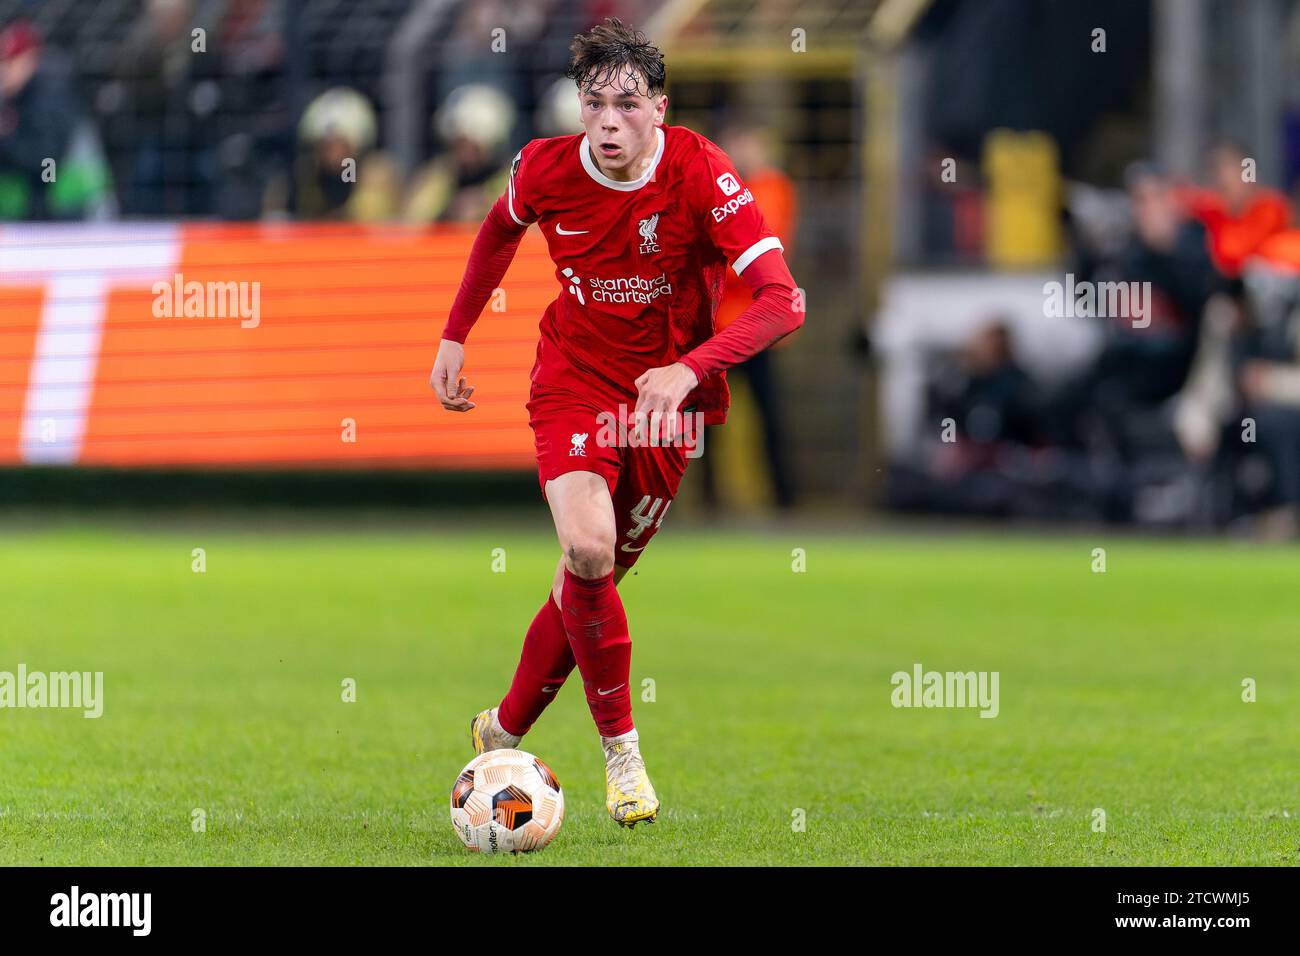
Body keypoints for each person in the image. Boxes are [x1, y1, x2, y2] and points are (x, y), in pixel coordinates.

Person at [429, 19, 803, 827]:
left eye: (626, 104)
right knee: (587, 546)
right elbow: (498, 231)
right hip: (573, 379)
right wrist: (455, 336)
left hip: (668, 405)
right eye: (592, 102)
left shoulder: (701, 172)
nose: (606, 121)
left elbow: (784, 300)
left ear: (658, 109)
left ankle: (503, 727)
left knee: (588, 583)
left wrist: (690, 367)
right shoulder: (545, 167)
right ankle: (624, 757)